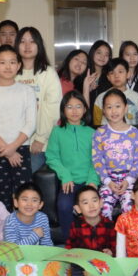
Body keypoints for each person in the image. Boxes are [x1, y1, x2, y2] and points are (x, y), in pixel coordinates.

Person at [0, 45, 36, 210]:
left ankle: (22, 227)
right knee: (2, 195)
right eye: (2, 62)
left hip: (21, 148)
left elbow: (31, 123)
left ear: (19, 66)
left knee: (24, 195)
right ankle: (5, 228)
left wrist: (13, 147)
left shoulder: (27, 91)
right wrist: (8, 150)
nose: (8, 66)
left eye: (12, 62)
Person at [46, 91, 99, 238]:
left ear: (85, 109)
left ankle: (92, 241)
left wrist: (93, 181)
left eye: (78, 106)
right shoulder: (57, 132)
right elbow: (52, 157)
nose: (74, 111)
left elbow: (97, 160)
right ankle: (70, 242)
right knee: (64, 206)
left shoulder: (92, 133)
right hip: (68, 182)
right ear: (63, 110)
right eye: (69, 107)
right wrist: (65, 175)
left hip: (89, 181)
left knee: (92, 207)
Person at [15, 27, 62, 173]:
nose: (27, 46)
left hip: (38, 143)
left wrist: (40, 139)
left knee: (26, 179)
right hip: (12, 142)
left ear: (39, 45)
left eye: (32, 41)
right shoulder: (11, 72)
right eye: (23, 41)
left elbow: (53, 109)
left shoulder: (48, 73)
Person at [92, 89, 138, 219]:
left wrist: (128, 181)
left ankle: (129, 232)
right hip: (108, 180)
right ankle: (107, 232)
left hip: (129, 180)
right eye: (109, 107)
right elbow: (97, 159)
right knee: (103, 209)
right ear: (104, 111)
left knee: (129, 208)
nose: (114, 111)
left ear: (125, 108)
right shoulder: (100, 133)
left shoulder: (135, 133)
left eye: (117, 106)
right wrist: (108, 181)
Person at [66, 185, 116, 255]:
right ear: (78, 209)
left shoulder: (109, 224)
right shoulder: (75, 226)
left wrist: (111, 252)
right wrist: (71, 254)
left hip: (102, 260)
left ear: (101, 203)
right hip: (82, 259)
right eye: (85, 203)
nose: (91, 206)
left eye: (94, 201)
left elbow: (115, 246)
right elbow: (69, 246)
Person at [91, 58, 138, 126]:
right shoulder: (100, 98)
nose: (116, 76)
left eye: (120, 72)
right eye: (112, 73)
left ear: (128, 74)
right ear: (108, 77)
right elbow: (97, 124)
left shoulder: (137, 97)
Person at [82, 40, 113, 106]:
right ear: (93, 53)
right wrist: (87, 89)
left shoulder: (110, 77)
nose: (102, 57)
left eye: (106, 54)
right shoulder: (83, 74)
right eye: (99, 53)